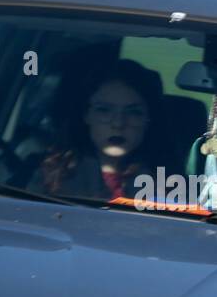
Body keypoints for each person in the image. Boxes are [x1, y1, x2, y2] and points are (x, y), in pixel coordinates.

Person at [29, 59, 169, 201]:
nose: (118, 123)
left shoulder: (170, 185)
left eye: (134, 112)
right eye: (104, 110)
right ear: (86, 115)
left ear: (148, 119)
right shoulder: (50, 176)